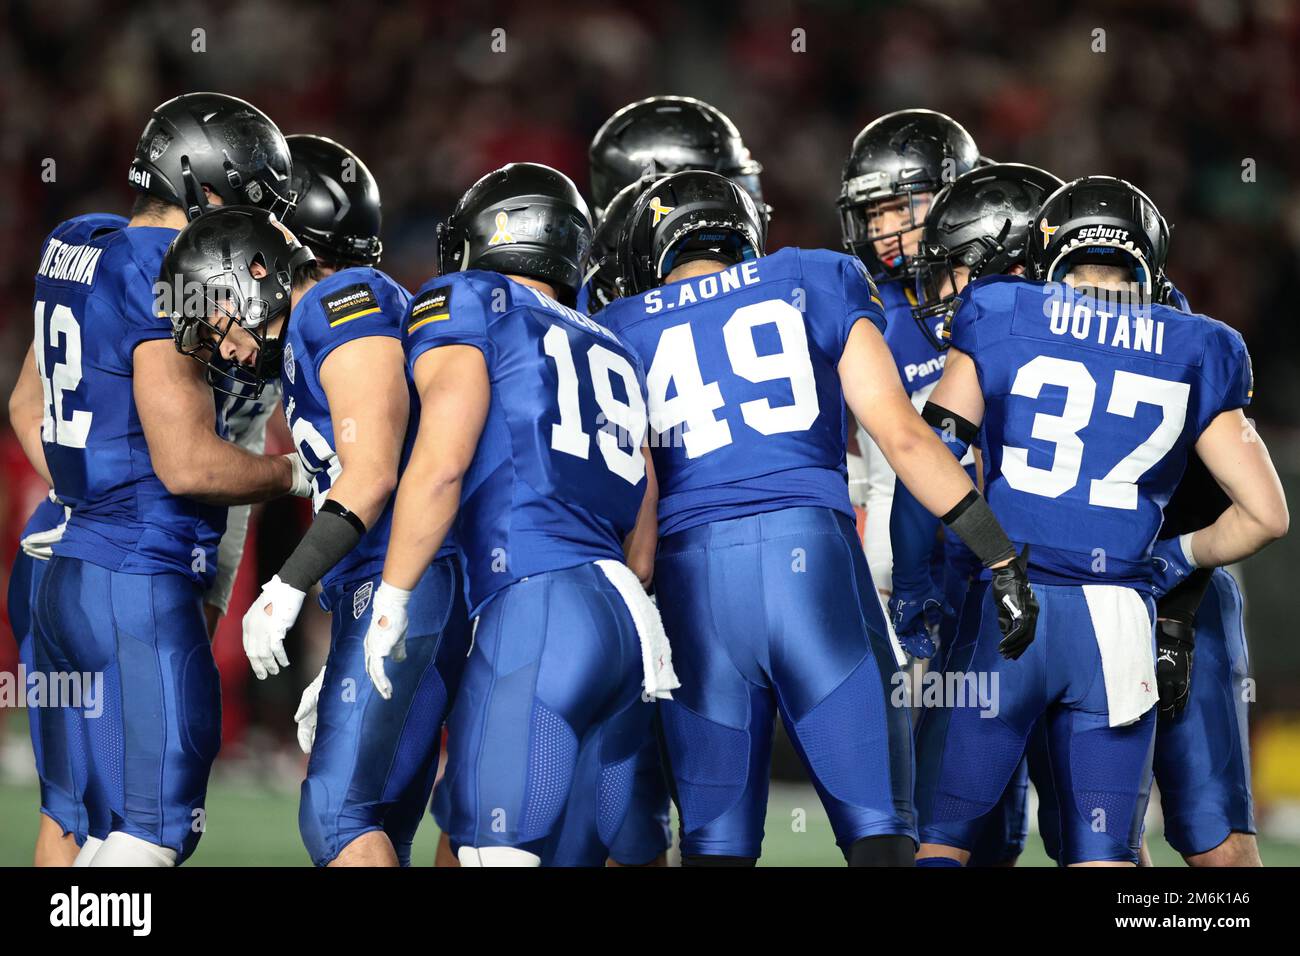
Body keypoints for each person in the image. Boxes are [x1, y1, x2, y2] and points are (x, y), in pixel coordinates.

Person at [599, 169, 1037, 866]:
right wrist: (999, 554)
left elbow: (633, 501)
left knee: (717, 847)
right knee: (882, 835)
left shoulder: (617, 325)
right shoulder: (816, 274)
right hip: (816, 566)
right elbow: (903, 436)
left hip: (693, 584)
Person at [890, 176, 1288, 866]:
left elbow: (924, 459)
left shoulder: (1001, 313)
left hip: (1086, 600)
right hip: (1119, 611)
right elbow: (1265, 513)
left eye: (967, 269)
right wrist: (1169, 564)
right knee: (1098, 845)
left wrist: (1175, 609)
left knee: (1212, 841)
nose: (954, 291)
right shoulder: (1195, 342)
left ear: (1030, 257)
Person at [23, 92, 309, 867]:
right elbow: (186, 464)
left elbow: (26, 405)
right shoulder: (168, 269)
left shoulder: (79, 239)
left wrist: (88, 493)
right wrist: (295, 473)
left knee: (82, 821)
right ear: (205, 187)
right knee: (154, 831)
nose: (268, 224)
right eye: (255, 198)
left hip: (64, 564)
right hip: (137, 577)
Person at [364, 162, 677, 866]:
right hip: (630, 626)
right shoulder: (613, 345)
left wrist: (390, 598)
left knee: (492, 853)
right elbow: (644, 541)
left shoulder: (472, 299)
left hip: (537, 608)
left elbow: (442, 462)